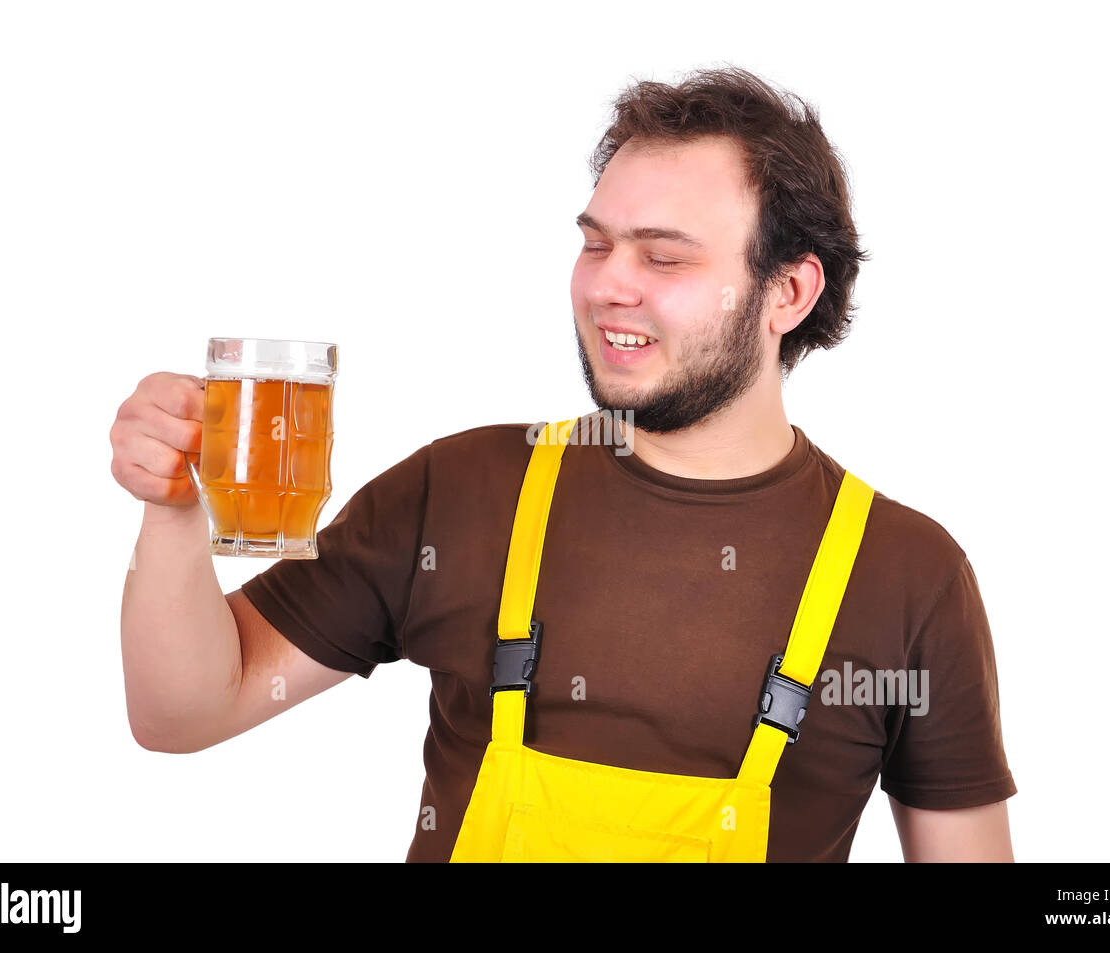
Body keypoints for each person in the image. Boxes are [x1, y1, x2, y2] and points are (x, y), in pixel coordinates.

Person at [112, 66, 1015, 862]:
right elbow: (185, 711)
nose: (607, 284)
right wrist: (172, 509)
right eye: (595, 243)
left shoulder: (907, 575)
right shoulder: (461, 492)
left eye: (663, 254)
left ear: (789, 291)